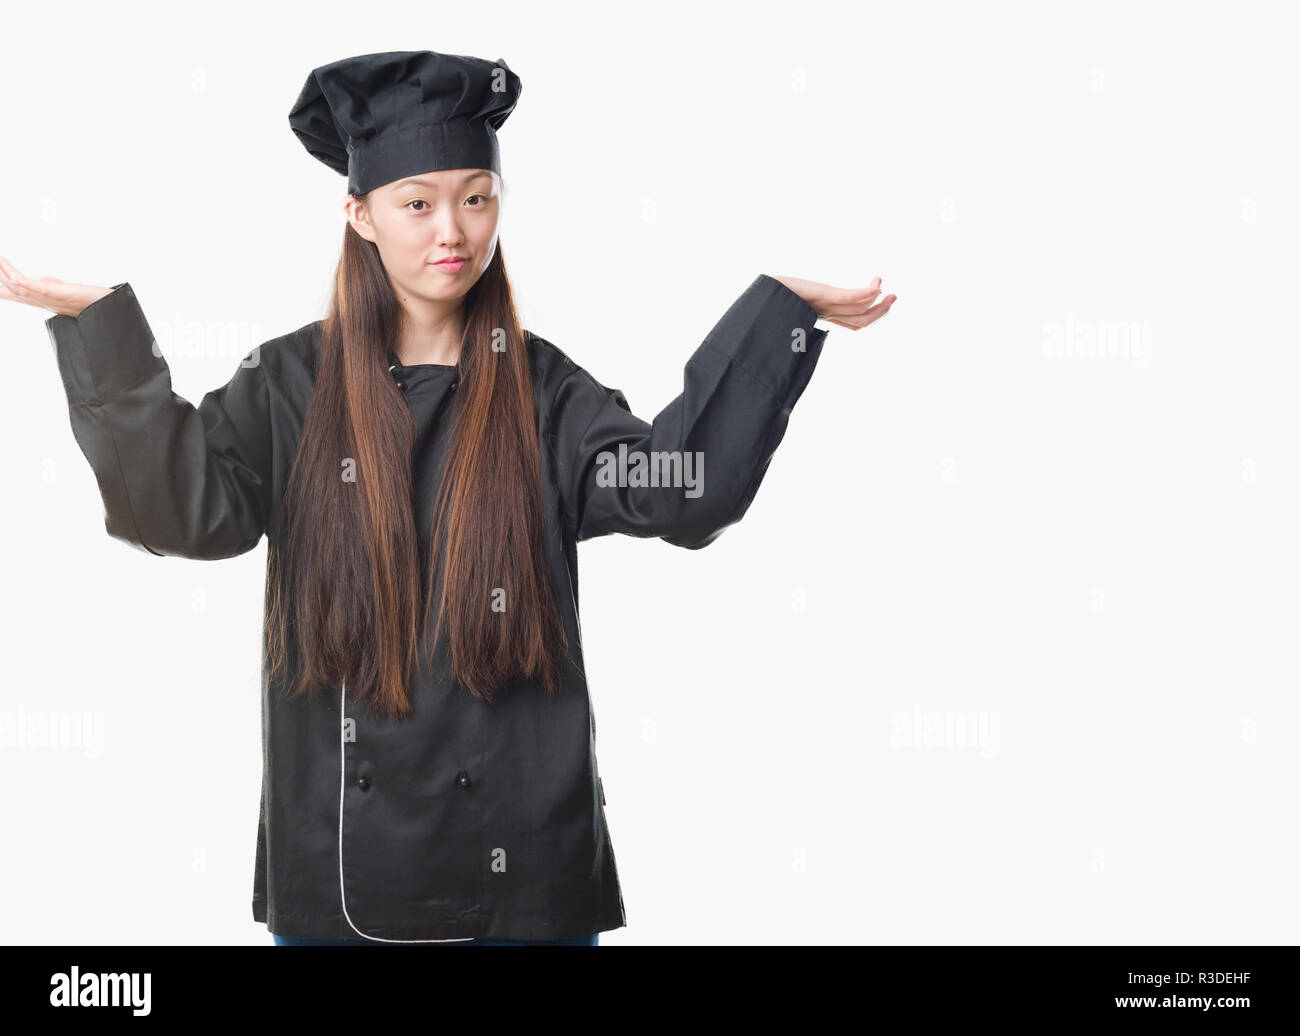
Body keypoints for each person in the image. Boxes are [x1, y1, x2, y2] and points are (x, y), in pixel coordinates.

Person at [0, 50, 896, 947]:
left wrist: (778, 315)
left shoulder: (542, 390)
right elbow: (185, 515)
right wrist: (101, 332)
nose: (453, 231)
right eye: (417, 203)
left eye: (477, 197)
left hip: (527, 880)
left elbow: (680, 487)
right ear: (359, 216)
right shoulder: (289, 383)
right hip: (340, 882)